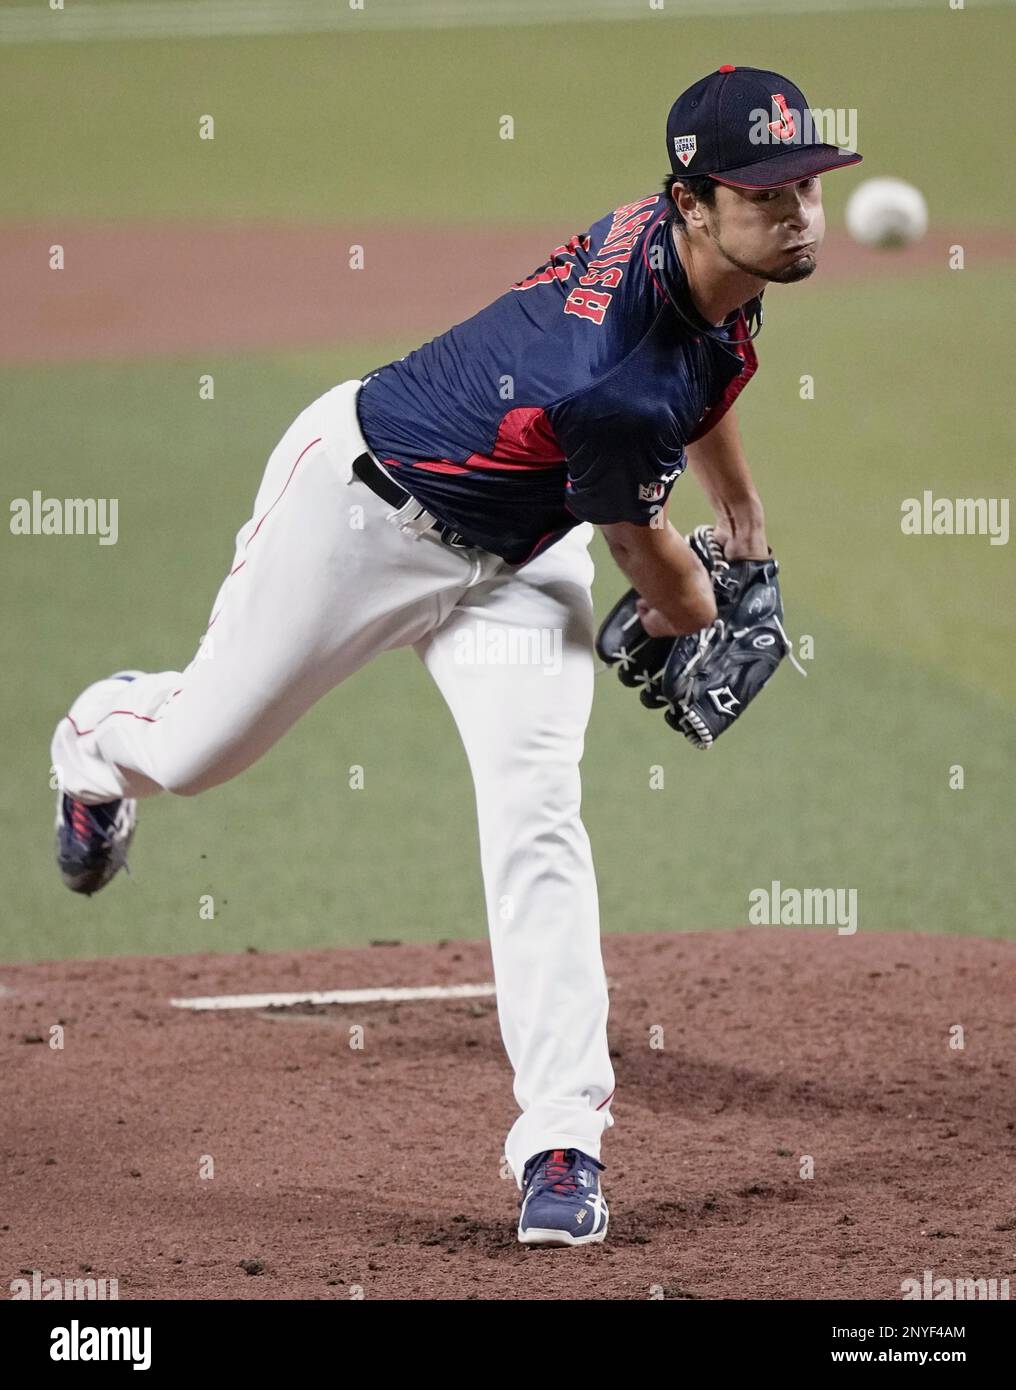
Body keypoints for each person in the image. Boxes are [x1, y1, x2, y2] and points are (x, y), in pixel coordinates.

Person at [51, 66, 860, 1247]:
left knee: (537, 815)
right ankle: (95, 739)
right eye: (766, 193)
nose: (797, 214)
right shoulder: (609, 373)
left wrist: (744, 528)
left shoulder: (713, 261)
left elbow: (711, 368)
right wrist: (702, 598)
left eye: (806, 185)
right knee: (195, 753)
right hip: (360, 516)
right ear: (690, 203)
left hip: (518, 559)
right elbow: (660, 574)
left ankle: (561, 1141)